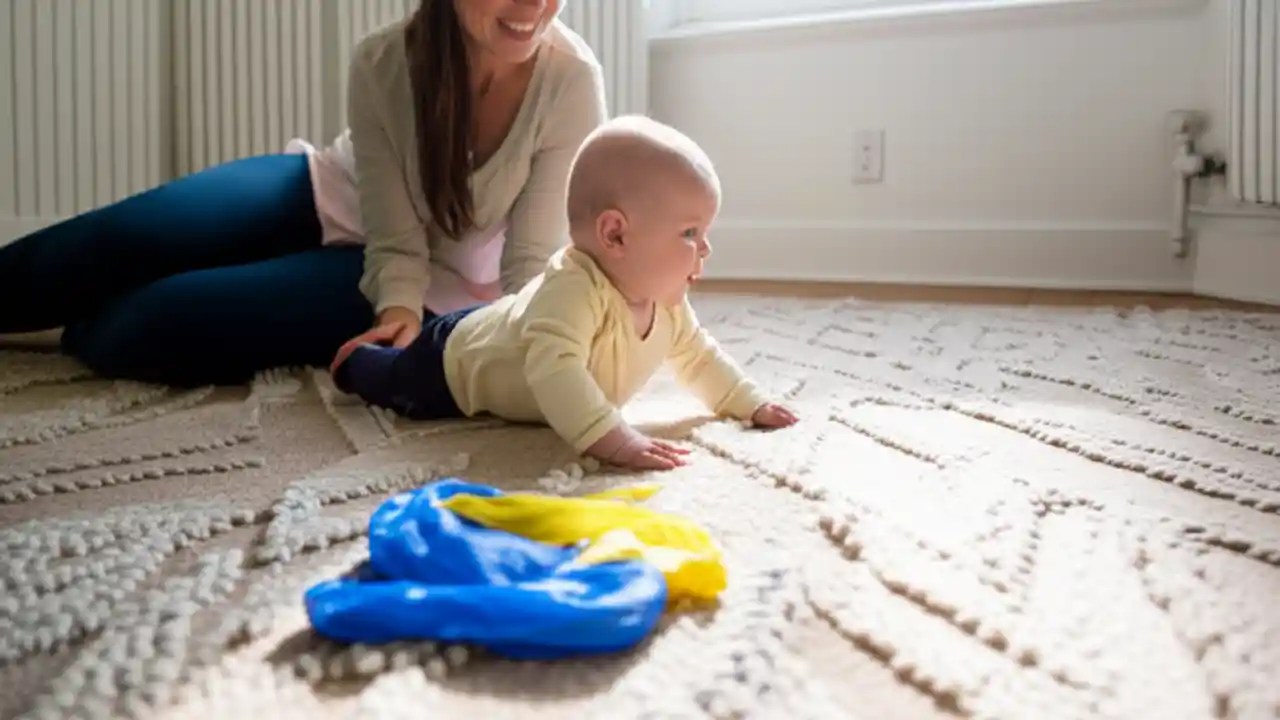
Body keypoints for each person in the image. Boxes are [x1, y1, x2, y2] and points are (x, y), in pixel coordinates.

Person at [0, 0, 607, 387]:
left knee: (146, 327)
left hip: (441, 283)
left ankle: (82, 320)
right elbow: (394, 233)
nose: (536, 3)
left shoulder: (572, 81)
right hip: (339, 194)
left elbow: (529, 263)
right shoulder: (381, 61)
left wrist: (413, 319)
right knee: (114, 240)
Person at [330, 115, 800, 471]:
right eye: (689, 233)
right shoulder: (574, 288)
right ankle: (356, 362)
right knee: (394, 384)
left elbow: (700, 359)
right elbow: (554, 367)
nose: (706, 248)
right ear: (615, 236)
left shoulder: (665, 304)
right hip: (452, 363)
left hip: (501, 320)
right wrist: (612, 437)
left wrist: (749, 401)